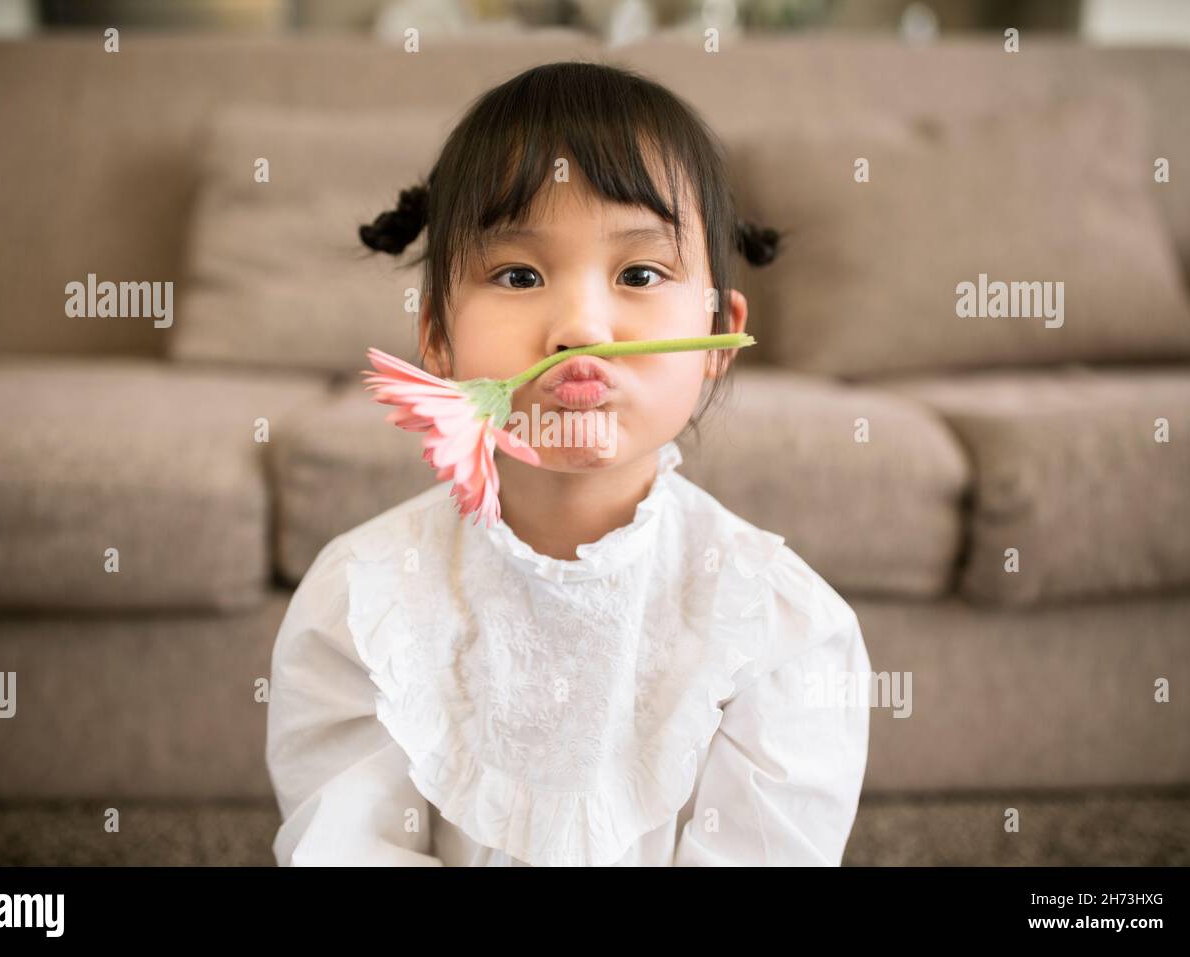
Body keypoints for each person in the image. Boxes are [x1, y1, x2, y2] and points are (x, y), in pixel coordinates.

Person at [265, 60, 870, 866]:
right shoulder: (363, 604)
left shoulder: (782, 630)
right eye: (519, 274)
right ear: (438, 339)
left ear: (720, 333)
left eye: (639, 274)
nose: (581, 328)